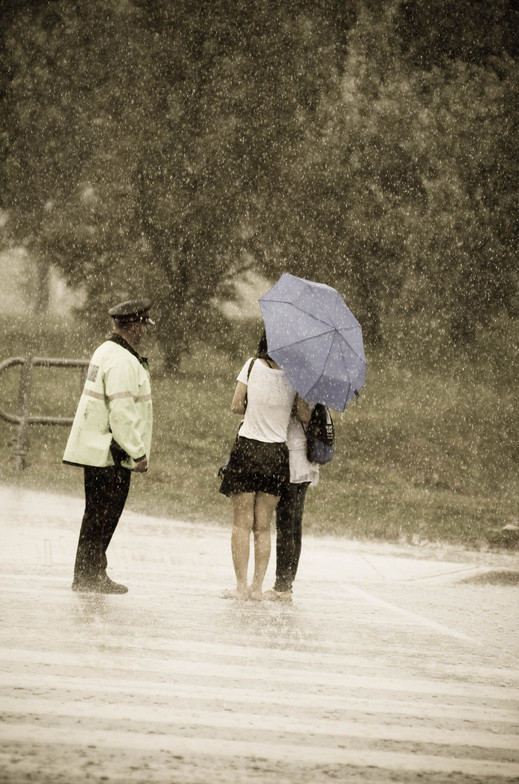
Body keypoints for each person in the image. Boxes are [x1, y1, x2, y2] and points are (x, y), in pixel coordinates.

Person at [63, 299, 154, 594]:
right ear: (134, 326)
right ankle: (90, 576)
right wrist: (138, 452)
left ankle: (89, 572)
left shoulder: (106, 351)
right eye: (144, 325)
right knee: (104, 516)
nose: (146, 331)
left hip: (96, 448)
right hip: (111, 453)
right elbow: (122, 412)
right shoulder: (122, 361)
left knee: (95, 514)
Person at [219, 331, 310, 600]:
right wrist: (286, 406)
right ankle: (258, 588)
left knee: (241, 524)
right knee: (263, 526)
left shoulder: (250, 366)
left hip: (248, 449)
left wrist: (257, 406)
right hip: (276, 455)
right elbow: (304, 415)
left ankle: (240, 588)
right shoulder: (296, 376)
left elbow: (236, 405)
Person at [264, 411, 319, 602]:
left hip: (295, 456)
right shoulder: (314, 385)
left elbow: (304, 413)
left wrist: (289, 405)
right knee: (293, 523)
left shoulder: (302, 384)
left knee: (287, 524)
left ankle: (282, 585)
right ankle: (287, 582)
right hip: (302, 457)